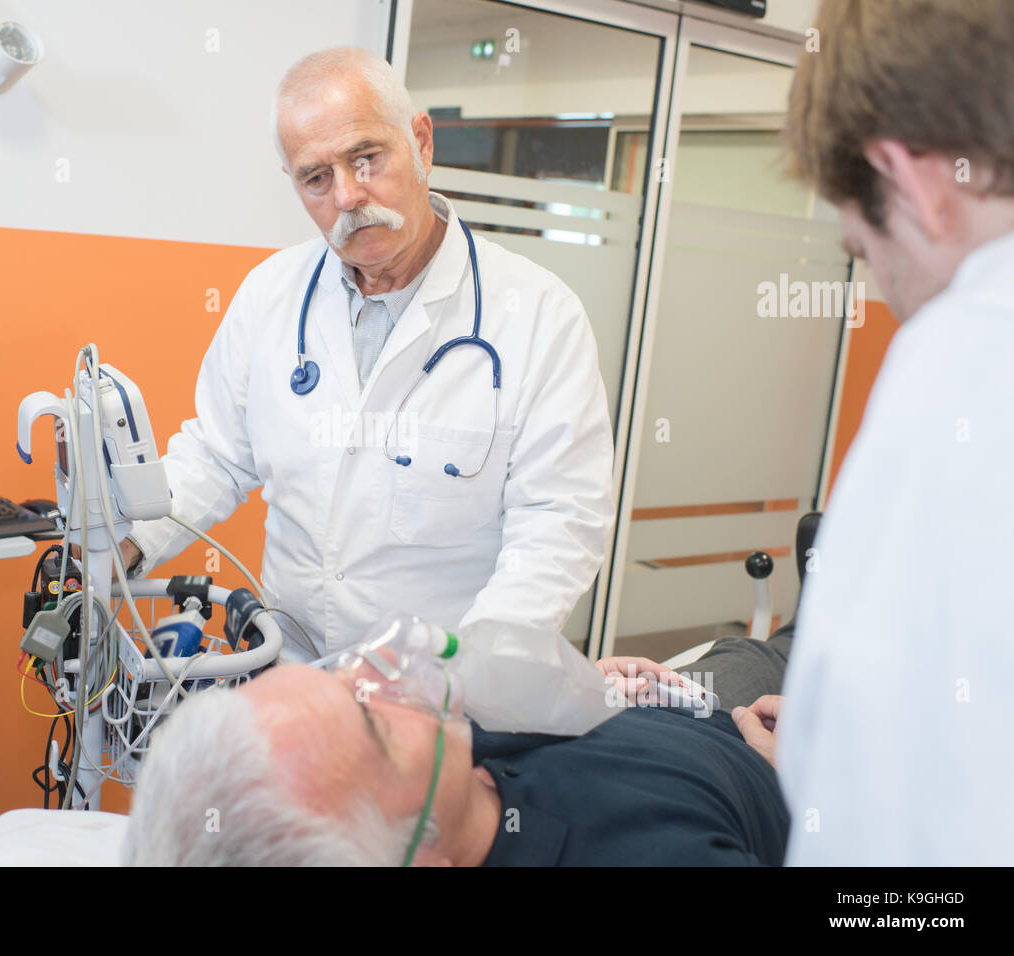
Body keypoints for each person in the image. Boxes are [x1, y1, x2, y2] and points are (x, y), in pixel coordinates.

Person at [114, 47, 614, 659]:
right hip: (291, 670)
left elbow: (558, 527)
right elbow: (218, 454)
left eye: (366, 158)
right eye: (316, 178)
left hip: (446, 693)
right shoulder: (271, 293)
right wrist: (130, 542)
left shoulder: (539, 315)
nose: (347, 196)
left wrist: (469, 670)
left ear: (422, 143)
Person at [731, 0, 1014, 864]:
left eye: (862, 248)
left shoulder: (962, 364)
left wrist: (825, 779)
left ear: (912, 179)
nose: (886, 290)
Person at [121, 630, 795, 866]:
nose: (384, 674)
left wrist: (586, 688)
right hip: (768, 747)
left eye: (337, 676)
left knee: (762, 648)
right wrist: (801, 791)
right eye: (376, 723)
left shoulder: (451, 756)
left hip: (685, 701)